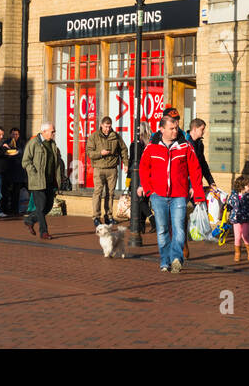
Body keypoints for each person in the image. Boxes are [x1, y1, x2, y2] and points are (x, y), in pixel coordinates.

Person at [138, 111, 205, 272]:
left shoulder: (185, 146)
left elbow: (195, 170)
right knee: (162, 230)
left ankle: (176, 258)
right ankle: (164, 261)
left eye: (176, 128)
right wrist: (149, 190)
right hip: (158, 195)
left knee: (179, 229)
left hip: (179, 195)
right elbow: (143, 168)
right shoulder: (152, 147)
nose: (175, 131)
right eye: (171, 128)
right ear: (162, 129)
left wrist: (197, 193)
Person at [22, 121, 64, 241]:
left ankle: (29, 220)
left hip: (50, 181)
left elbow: (56, 161)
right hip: (38, 181)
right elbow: (25, 161)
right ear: (44, 132)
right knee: (40, 207)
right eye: (52, 131)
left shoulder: (52, 144)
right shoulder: (34, 143)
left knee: (48, 207)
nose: (54, 133)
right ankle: (44, 232)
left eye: (54, 131)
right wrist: (33, 172)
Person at [86, 116, 127, 227]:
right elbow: (89, 152)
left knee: (110, 193)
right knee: (98, 193)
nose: (107, 129)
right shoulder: (94, 136)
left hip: (112, 169)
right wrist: (100, 153)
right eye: (105, 127)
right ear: (101, 125)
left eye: (109, 127)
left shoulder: (115, 136)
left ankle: (108, 216)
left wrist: (126, 163)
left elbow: (123, 149)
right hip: (99, 169)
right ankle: (96, 217)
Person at [226, 175, 249, 263]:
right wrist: (226, 207)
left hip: (246, 218)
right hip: (236, 218)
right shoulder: (234, 195)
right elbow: (230, 204)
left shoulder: (248, 196)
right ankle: (237, 253)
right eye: (248, 185)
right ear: (242, 186)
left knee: (245, 235)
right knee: (237, 236)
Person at [5, 127, 26, 216]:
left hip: (18, 171)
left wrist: (16, 152)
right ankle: (7, 209)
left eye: (16, 134)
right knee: (7, 192)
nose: (15, 136)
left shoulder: (22, 143)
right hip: (9, 170)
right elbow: (4, 152)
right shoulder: (7, 143)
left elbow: (23, 152)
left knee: (16, 192)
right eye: (13, 134)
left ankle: (15, 209)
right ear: (10, 134)